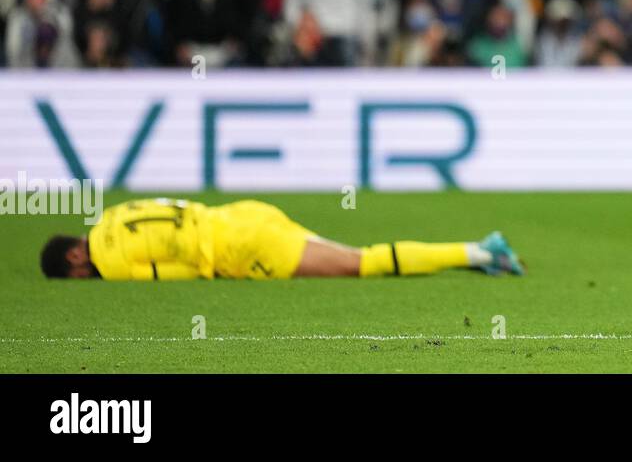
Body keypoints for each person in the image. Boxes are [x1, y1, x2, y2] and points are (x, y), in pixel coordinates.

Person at [41, 197, 525, 280]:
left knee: (362, 262)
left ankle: (481, 250)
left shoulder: (110, 264)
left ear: (75, 255)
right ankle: (479, 252)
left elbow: (184, 271)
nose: (87, 275)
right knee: (352, 253)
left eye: (78, 273)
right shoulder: (112, 213)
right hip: (244, 215)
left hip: (244, 249)